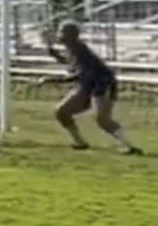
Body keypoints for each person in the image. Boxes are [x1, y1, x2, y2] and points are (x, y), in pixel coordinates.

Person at [43, 20, 141, 155]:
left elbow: (83, 72)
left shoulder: (80, 50)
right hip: (87, 85)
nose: (59, 36)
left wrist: (57, 80)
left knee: (101, 118)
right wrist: (55, 55)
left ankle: (129, 146)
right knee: (62, 112)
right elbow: (72, 64)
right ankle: (80, 143)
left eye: (62, 33)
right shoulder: (73, 49)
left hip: (102, 84)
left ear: (71, 35)